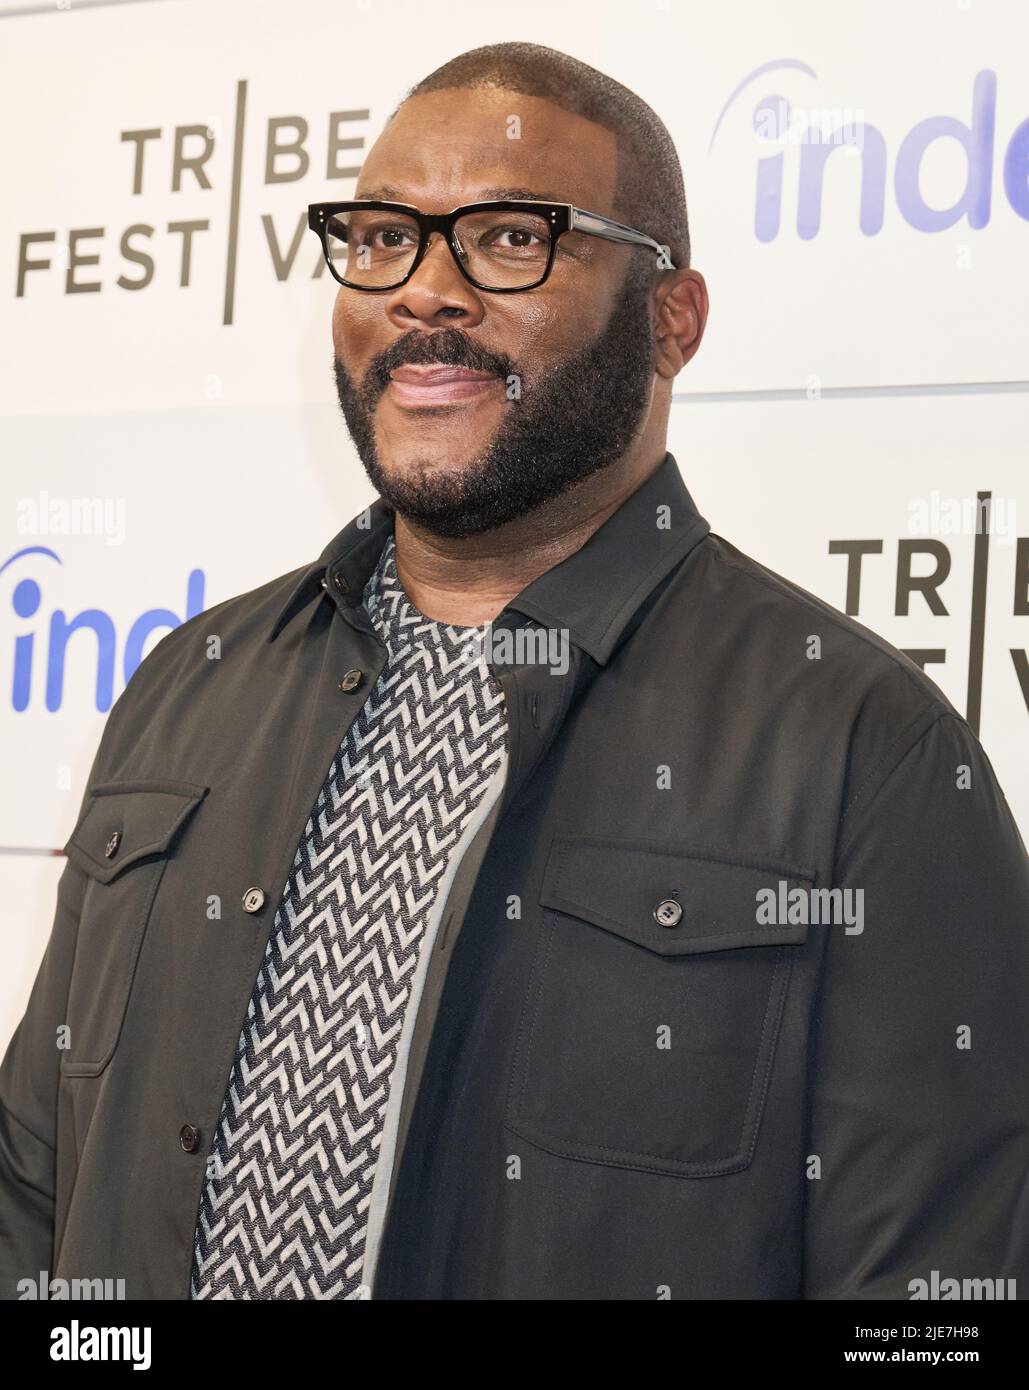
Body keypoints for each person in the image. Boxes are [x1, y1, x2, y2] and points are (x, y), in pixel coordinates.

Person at [2, 41, 1027, 1302]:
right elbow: (36, 1187)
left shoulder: (868, 755)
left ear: (673, 319)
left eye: (504, 239)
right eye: (382, 238)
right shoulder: (187, 687)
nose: (423, 293)